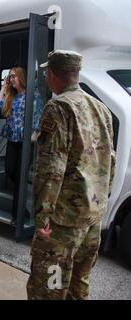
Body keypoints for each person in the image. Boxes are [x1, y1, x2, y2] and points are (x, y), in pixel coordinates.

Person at [27, 50, 116, 300]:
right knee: (79, 286)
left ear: (54, 75)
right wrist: (100, 201)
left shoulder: (59, 107)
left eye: (47, 72)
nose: (46, 77)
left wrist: (43, 216)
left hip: (61, 225)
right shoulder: (100, 108)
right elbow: (111, 159)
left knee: (50, 287)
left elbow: (52, 168)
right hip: (92, 220)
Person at [0, 66, 43, 225]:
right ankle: (23, 206)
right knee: (10, 171)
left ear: (21, 77)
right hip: (12, 139)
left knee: (21, 176)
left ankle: (18, 214)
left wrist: (33, 135)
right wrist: (3, 87)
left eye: (13, 76)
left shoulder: (33, 96)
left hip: (25, 141)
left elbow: (38, 116)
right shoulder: (11, 96)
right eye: (9, 77)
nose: (11, 79)